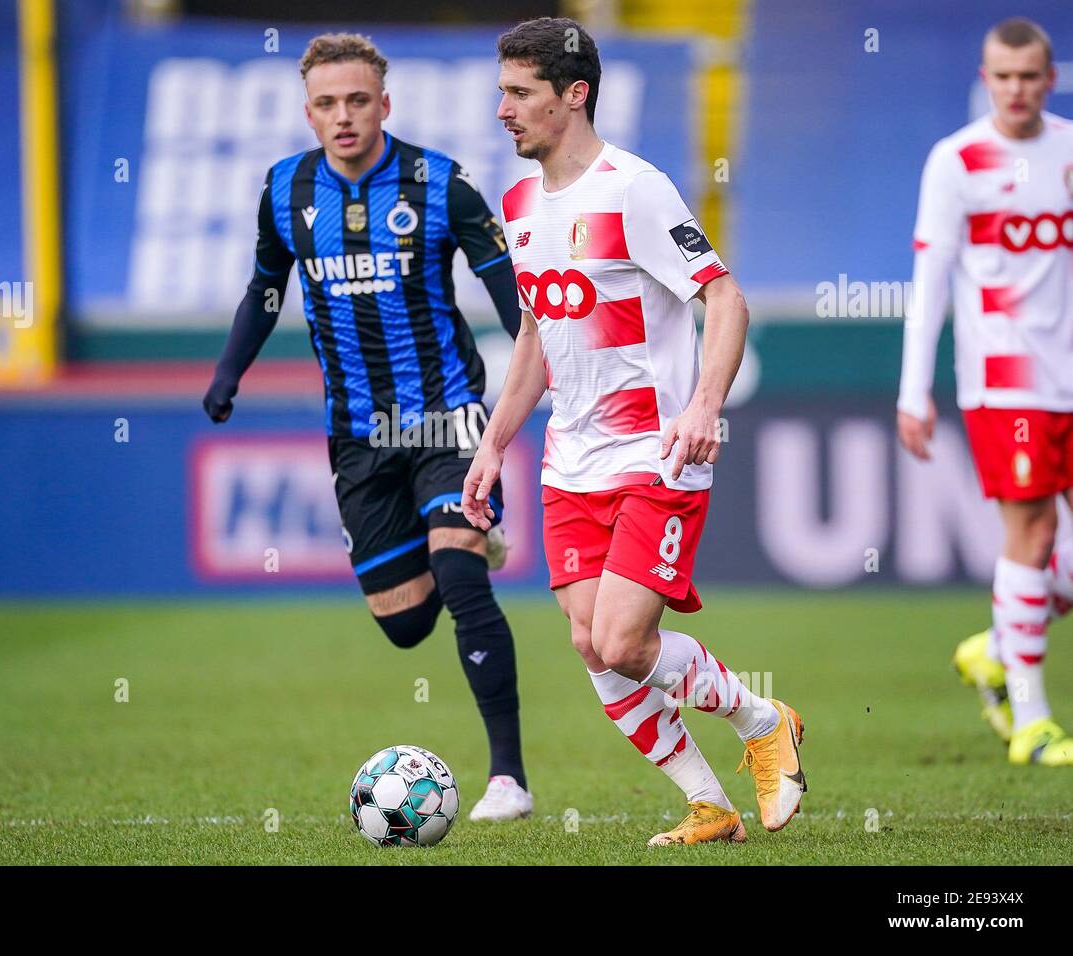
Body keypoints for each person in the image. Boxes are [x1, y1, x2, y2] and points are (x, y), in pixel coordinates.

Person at [462, 16, 807, 845]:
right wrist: (496, 440)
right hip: (569, 460)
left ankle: (765, 722)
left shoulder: (634, 188)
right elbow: (539, 335)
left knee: (622, 640)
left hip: (658, 452)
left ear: (572, 96)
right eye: (501, 91)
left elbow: (724, 298)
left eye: (519, 93)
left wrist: (703, 406)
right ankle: (707, 803)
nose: (502, 109)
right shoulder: (517, 205)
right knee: (590, 643)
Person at [204, 33, 536, 817]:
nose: (344, 116)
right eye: (327, 103)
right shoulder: (284, 191)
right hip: (359, 435)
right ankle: (461, 539)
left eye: (358, 100)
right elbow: (263, 288)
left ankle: (507, 778)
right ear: (309, 111)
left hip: (449, 418)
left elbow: (510, 296)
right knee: (406, 626)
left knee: (459, 577)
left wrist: (529, 383)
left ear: (384, 104)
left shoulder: (440, 184)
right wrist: (229, 371)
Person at [898, 17, 1073, 766]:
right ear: (985, 75)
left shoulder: (1068, 148)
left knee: (1042, 553)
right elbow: (931, 279)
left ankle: (997, 645)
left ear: (1050, 78)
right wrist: (914, 388)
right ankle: (1031, 721)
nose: (1016, 89)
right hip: (1006, 377)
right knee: (1031, 535)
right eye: (1003, 76)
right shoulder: (957, 159)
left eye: (1029, 76)